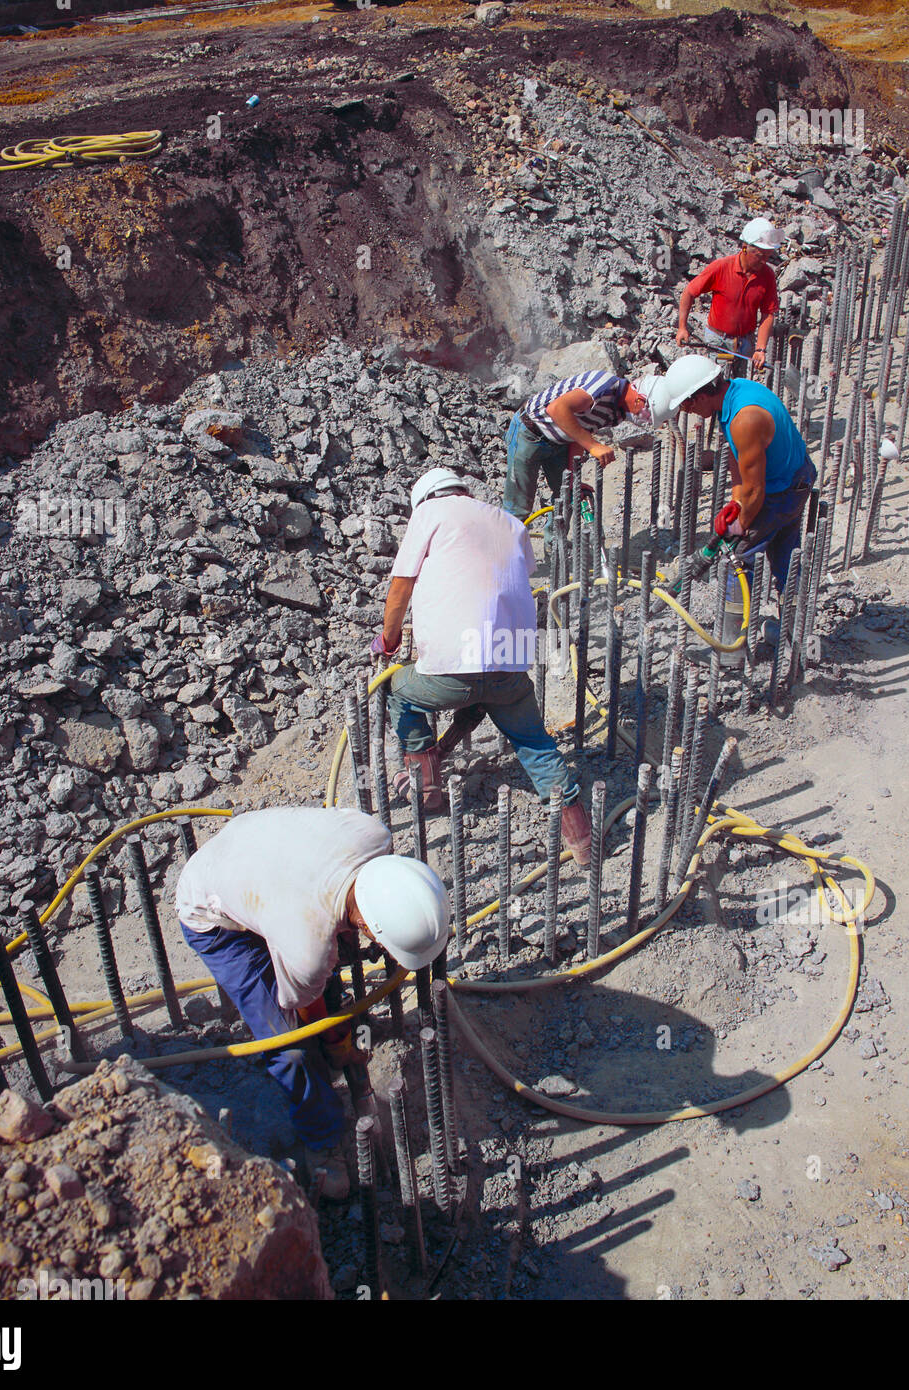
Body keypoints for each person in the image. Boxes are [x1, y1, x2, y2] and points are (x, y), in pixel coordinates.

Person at [177, 806, 450, 1198]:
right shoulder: (307, 944)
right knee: (290, 1046)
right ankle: (321, 1141)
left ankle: (334, 1045)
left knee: (321, 975)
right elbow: (307, 1006)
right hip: (215, 913)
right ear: (368, 925)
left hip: (258, 857)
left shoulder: (374, 837)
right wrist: (337, 1041)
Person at [373, 466, 592, 863]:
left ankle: (427, 789)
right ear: (462, 491)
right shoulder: (509, 522)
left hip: (454, 668)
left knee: (398, 691)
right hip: (511, 664)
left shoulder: (429, 514)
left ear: (424, 499)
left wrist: (388, 642)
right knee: (534, 742)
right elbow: (513, 577)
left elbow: (401, 584)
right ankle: (581, 841)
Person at [647, 356, 816, 625]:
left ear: (701, 395)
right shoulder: (735, 394)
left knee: (736, 559)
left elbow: (756, 489)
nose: (688, 411)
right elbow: (740, 466)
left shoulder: (745, 418)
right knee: (788, 558)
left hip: (781, 490)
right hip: (793, 478)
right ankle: (793, 634)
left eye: (688, 404)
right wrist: (736, 502)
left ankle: (732, 648)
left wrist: (740, 527)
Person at [503, 368, 658, 523]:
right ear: (640, 399)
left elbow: (579, 432)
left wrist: (572, 481)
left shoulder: (617, 412)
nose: (645, 420)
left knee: (569, 495)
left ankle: (554, 545)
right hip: (529, 433)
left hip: (560, 442)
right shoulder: (604, 385)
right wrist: (593, 446)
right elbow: (557, 409)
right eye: (648, 415)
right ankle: (510, 546)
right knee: (519, 508)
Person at [675, 218, 783, 377]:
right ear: (745, 248)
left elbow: (768, 314)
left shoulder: (767, 275)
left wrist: (760, 348)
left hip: (745, 341)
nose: (764, 261)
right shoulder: (721, 267)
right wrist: (682, 327)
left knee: (740, 385)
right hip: (718, 340)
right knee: (717, 384)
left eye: (768, 256)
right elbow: (689, 293)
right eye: (760, 255)